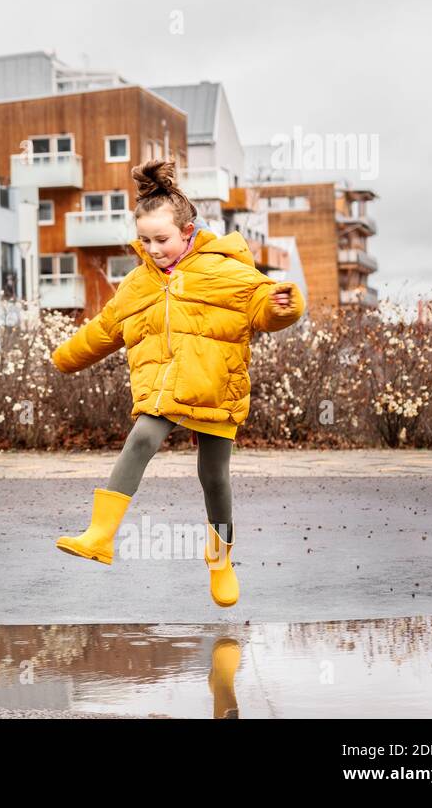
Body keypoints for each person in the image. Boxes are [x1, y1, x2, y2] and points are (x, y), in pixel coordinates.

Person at [49, 159, 305, 607]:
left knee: (214, 478)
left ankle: (221, 560)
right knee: (143, 437)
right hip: (163, 388)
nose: (153, 248)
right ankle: (101, 535)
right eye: (145, 240)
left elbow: (264, 303)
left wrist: (284, 305)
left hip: (215, 388)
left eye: (162, 239)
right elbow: (106, 327)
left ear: (188, 232)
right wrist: (65, 357)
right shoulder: (137, 284)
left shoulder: (227, 270)